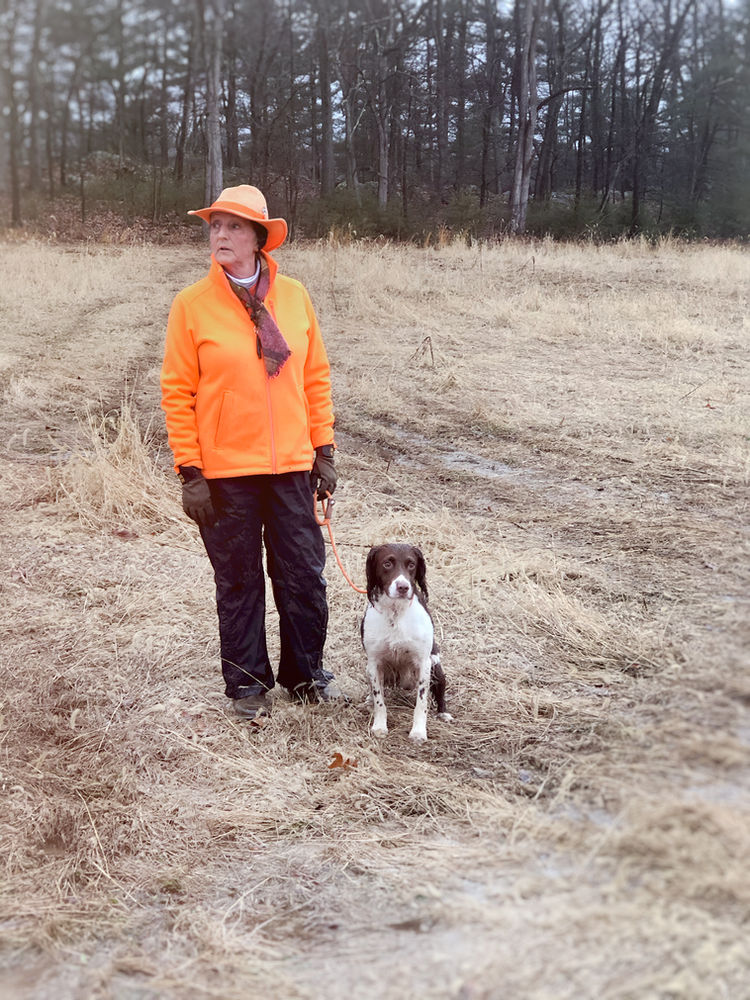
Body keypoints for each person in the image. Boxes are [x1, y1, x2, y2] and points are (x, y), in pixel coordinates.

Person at [161, 184, 342, 722]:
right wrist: (190, 470)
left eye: (233, 226)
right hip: (224, 473)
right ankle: (246, 687)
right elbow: (176, 390)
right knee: (238, 580)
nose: (220, 234)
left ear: (259, 237)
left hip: (291, 465)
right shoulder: (191, 305)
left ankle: (306, 676)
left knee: (304, 576)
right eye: (215, 225)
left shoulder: (295, 297)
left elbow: (315, 377)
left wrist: (323, 448)